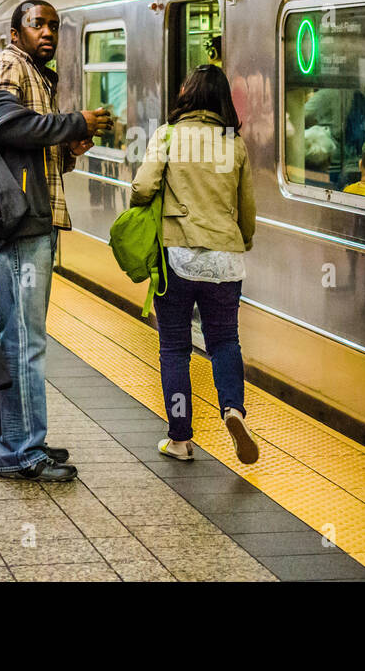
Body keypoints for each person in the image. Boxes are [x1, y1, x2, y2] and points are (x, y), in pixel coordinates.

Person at [0, 0, 111, 482]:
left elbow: (26, 147)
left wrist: (67, 147)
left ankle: (12, 441)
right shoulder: (9, 65)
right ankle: (22, 451)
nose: (47, 32)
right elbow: (1, 123)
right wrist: (73, 122)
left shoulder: (35, 73)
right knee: (24, 341)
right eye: (37, 24)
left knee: (20, 337)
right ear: (16, 33)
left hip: (33, 219)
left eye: (53, 25)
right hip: (19, 226)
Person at [130, 64, 259, 464]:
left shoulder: (169, 136)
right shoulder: (233, 144)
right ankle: (233, 409)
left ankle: (181, 439)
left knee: (175, 347)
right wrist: (242, 241)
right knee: (224, 340)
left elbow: (143, 186)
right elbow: (248, 208)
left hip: (178, 255)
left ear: (188, 95)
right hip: (225, 259)